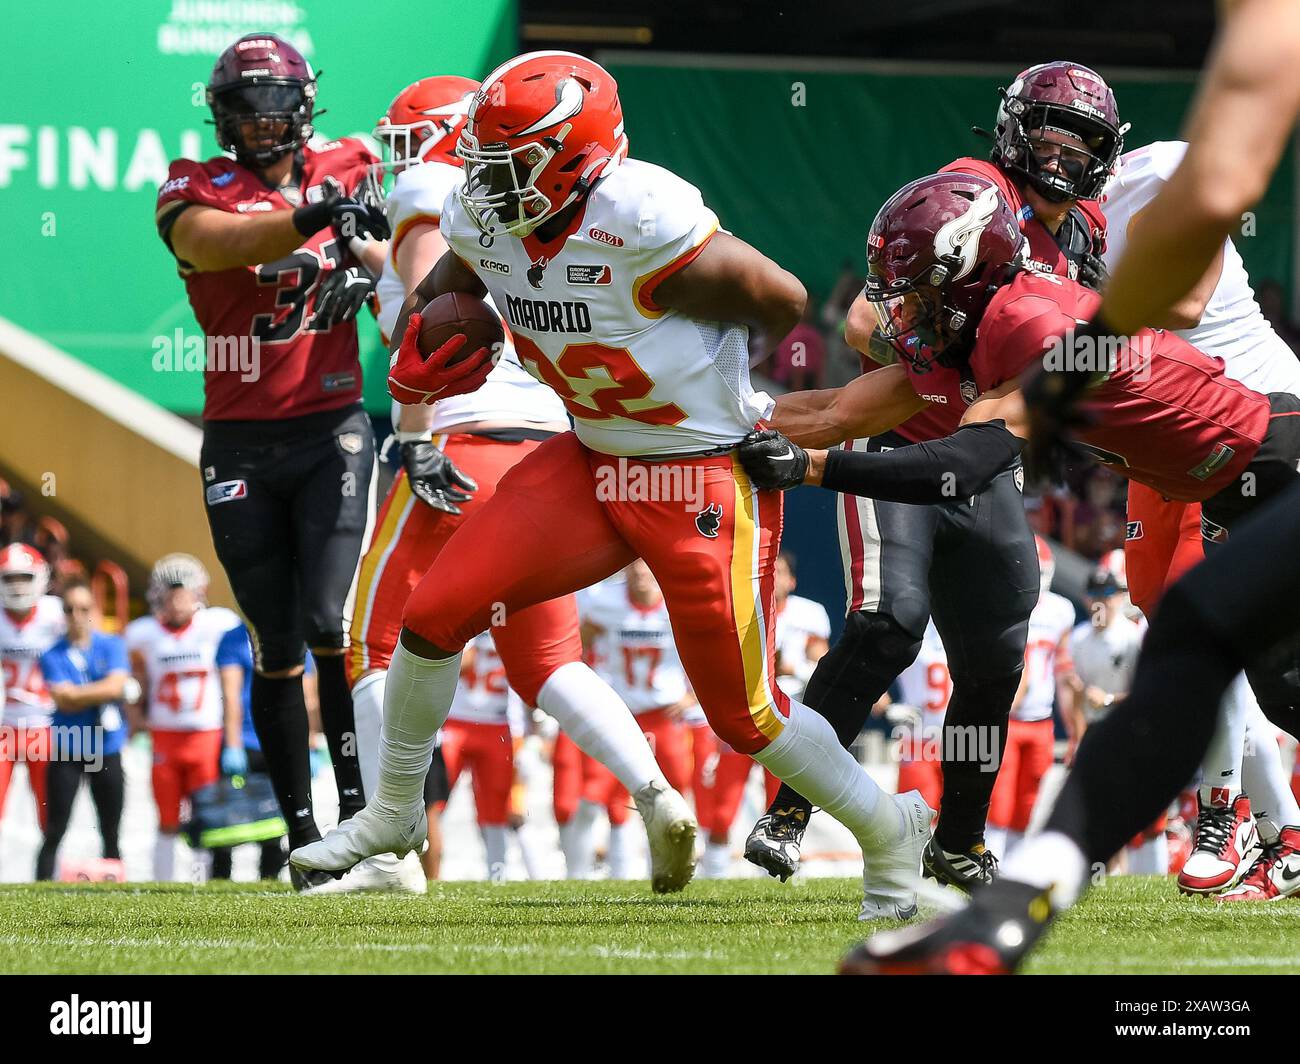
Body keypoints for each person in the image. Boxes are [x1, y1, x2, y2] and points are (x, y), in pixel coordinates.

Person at [293, 50, 932, 919]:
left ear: (576, 157)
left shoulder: (640, 214)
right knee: (435, 614)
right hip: (590, 454)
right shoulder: (486, 218)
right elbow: (445, 294)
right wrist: (432, 332)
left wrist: (667, 324)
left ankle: (891, 830)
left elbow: (778, 300)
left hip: (696, 466)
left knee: (746, 717)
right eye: (482, 162)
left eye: (510, 164)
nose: (486, 184)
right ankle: (392, 817)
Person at [824, 0, 1300, 969]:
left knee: (1217, 651)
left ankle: (1058, 889)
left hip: (1264, 442)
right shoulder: (1009, 271)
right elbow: (879, 352)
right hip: (1223, 465)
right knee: (1214, 648)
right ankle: (1017, 908)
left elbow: (1210, 196)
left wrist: (818, 462)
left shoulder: (1039, 299)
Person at [744, 61, 1122, 892]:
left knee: (994, 663)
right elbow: (869, 319)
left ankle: (957, 839)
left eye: (1081, 141)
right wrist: (948, 355)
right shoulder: (973, 191)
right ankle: (790, 807)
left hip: (985, 460)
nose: (1061, 157)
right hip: (901, 446)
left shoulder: (1089, 229)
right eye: (1050, 133)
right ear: (1018, 128)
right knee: (890, 625)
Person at [346, 74, 672, 892]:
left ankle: (390, 852)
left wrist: (414, 442)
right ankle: (655, 791)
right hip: (548, 451)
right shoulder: (528, 208)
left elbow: (431, 326)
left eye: (404, 138)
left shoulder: (434, 188)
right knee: (548, 660)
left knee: (372, 643)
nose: (399, 160)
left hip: (459, 441)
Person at [154, 33, 389, 888]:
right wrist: (315, 219)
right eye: (243, 112)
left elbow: (413, 255)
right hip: (242, 438)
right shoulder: (192, 182)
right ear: (222, 116)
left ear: (304, 106)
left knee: (332, 621)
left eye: (272, 109)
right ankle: (301, 841)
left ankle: (363, 819)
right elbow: (217, 245)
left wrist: (375, 264)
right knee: (276, 642)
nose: (259, 127)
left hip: (331, 424)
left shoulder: (356, 162)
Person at [1102, 137, 1300, 896]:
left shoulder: (1156, 176)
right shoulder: (1033, 221)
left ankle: (1225, 809)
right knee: (1171, 615)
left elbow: (1181, 300)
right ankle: (1283, 832)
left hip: (1236, 417)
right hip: (1156, 429)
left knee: (1212, 628)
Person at [125, 555, 242, 881]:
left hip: (205, 734)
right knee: (166, 816)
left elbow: (233, 681)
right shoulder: (143, 633)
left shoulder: (217, 624)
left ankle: (200, 882)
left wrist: (233, 741)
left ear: (198, 592)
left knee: (205, 815)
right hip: (165, 734)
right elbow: (136, 681)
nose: (177, 601)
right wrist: (135, 718)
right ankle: (162, 881)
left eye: (183, 592)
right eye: (171, 593)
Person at [581, 560, 699, 878]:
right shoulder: (606, 603)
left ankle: (673, 866)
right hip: (625, 714)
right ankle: (623, 873)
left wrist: (693, 696)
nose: (641, 575)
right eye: (634, 570)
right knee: (619, 794)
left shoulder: (678, 605)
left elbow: (704, 652)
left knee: (675, 792)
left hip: (666, 715)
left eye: (648, 569)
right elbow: (579, 645)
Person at [984, 537, 1074, 861]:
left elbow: (1063, 669)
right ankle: (989, 860)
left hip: (1041, 720)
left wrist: (1074, 725)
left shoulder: (1060, 610)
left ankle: (1014, 865)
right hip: (1006, 718)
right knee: (999, 799)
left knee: (1028, 801)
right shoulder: (999, 603)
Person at [36, 580, 129, 880]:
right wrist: (102, 691)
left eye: (84, 608)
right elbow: (64, 698)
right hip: (69, 746)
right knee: (55, 827)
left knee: (111, 828)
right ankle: (41, 890)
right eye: (69, 608)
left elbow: (111, 686)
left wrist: (80, 694)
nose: (76, 614)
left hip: (106, 746)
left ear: (95, 610)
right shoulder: (52, 653)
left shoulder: (111, 644)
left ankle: (117, 891)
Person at [209, 622, 291, 882]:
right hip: (247, 742)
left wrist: (309, 743)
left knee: (274, 825)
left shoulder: (293, 632)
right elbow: (230, 696)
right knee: (228, 825)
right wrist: (233, 744)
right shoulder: (234, 639)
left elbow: (307, 694)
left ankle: (268, 880)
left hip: (278, 743)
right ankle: (221, 882)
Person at [0, 544, 62, 850]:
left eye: (24, 577)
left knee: (50, 811)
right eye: (9, 578)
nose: (17, 585)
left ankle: (47, 875)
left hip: (44, 725)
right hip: (4, 728)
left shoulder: (55, 614)